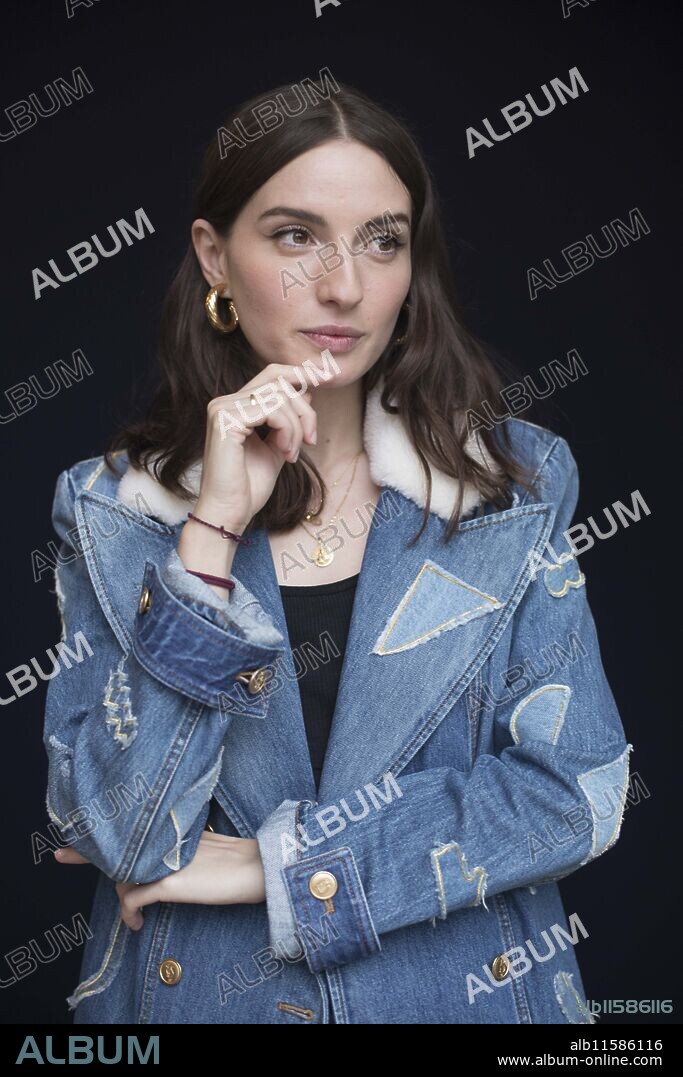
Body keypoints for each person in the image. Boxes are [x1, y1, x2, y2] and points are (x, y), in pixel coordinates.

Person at [43, 80, 631, 1025]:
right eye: (294, 236)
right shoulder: (114, 508)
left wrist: (278, 869)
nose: (346, 285)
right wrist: (211, 537)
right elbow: (123, 828)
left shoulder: (512, 485)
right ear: (214, 258)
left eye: (381, 241)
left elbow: (577, 793)